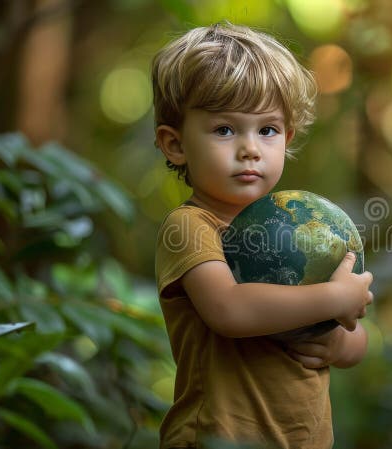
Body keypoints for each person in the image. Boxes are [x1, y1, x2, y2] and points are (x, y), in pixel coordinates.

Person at [151, 22, 374, 449]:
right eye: (224, 130)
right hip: (217, 439)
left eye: (267, 130)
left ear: (287, 139)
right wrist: (332, 298)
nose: (250, 148)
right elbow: (229, 309)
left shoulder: (304, 228)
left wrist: (335, 342)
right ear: (175, 144)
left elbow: (351, 340)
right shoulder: (192, 226)